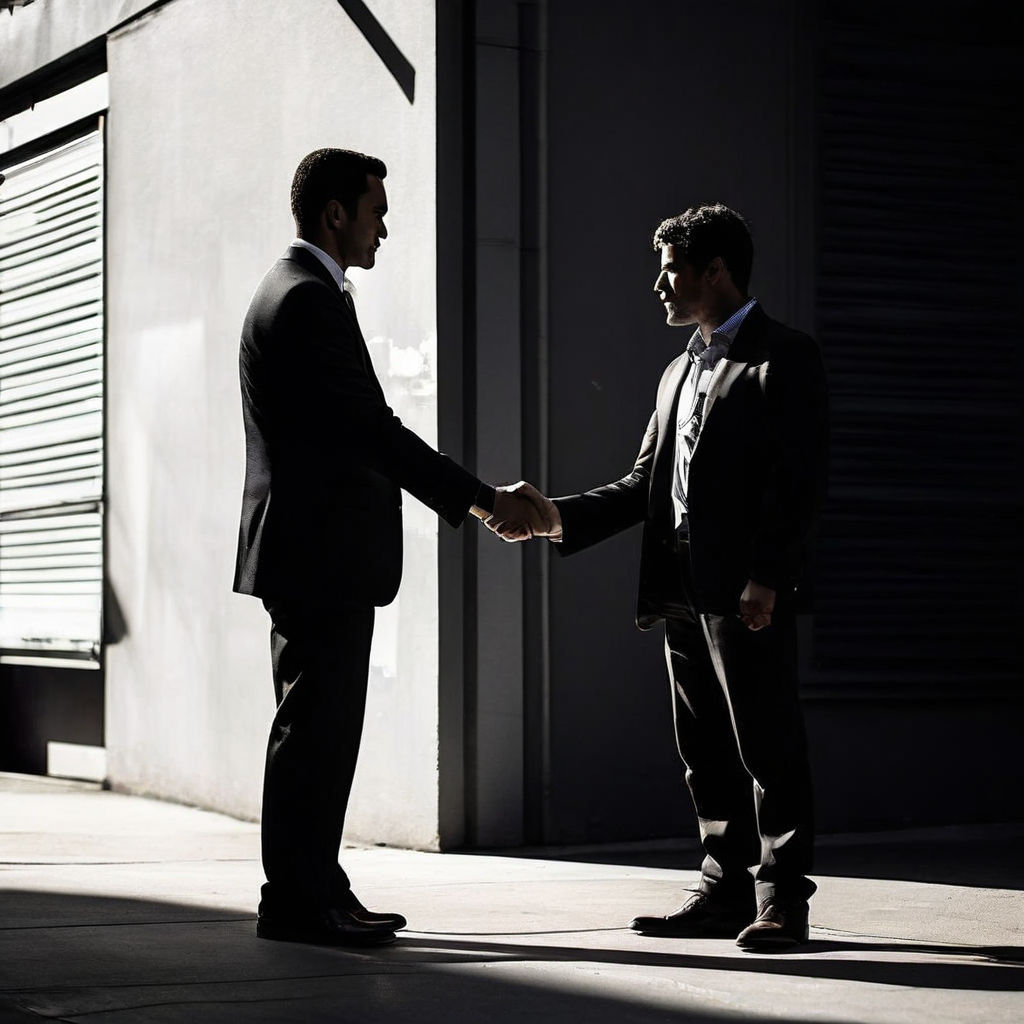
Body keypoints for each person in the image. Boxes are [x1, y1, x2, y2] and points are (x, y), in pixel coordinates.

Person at [489, 204, 828, 951]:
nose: (659, 285)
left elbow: (796, 484)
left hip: (746, 597)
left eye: (671, 269)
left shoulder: (784, 357)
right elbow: (644, 484)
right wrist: (552, 517)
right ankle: (721, 890)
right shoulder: (677, 370)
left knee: (767, 745)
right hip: (677, 587)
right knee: (703, 749)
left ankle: (782, 901)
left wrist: (768, 578)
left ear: (716, 271)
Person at [233, 148, 534, 947]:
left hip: (314, 556)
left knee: (321, 734)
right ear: (336, 214)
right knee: (314, 736)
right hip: (318, 558)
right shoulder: (304, 300)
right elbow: (372, 433)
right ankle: (298, 900)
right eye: (376, 211)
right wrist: (482, 499)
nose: (385, 226)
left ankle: (315, 887)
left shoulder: (298, 293)